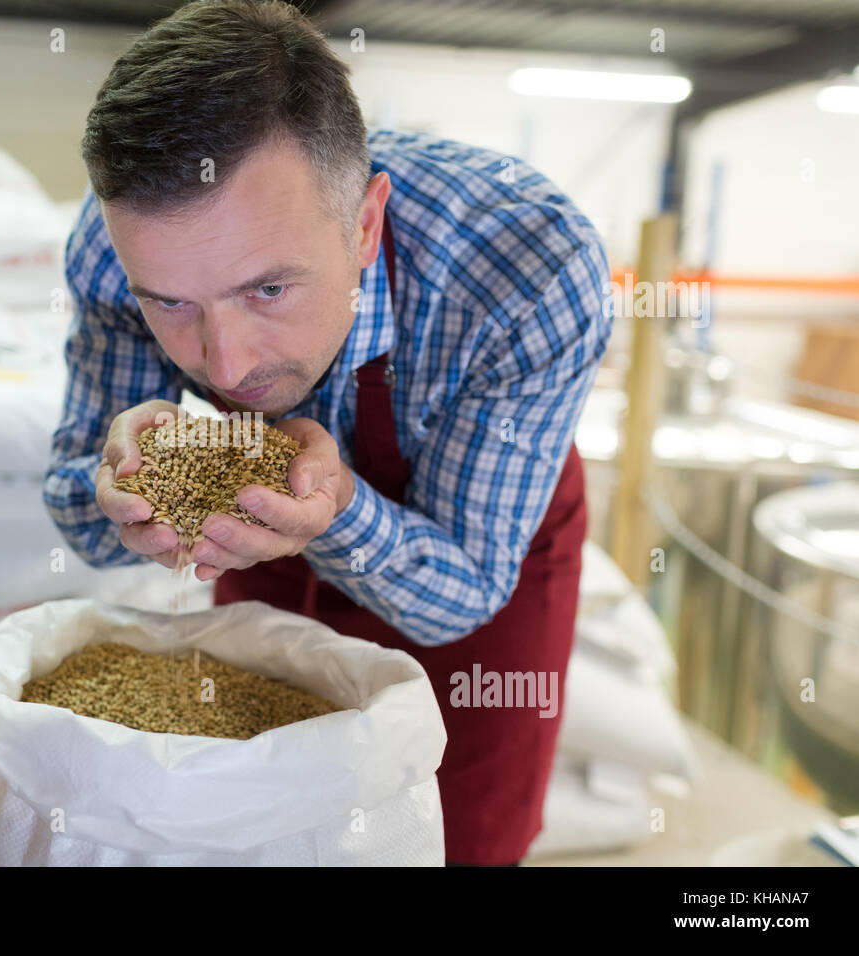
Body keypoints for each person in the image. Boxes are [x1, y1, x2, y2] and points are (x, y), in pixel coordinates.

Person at [44, 0, 613, 865]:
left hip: (471, 553)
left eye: (268, 289)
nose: (226, 368)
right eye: (172, 305)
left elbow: (463, 588)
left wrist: (342, 512)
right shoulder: (113, 251)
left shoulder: (531, 266)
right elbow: (77, 511)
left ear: (365, 225)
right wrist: (115, 481)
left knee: (459, 827)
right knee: (267, 812)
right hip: (277, 527)